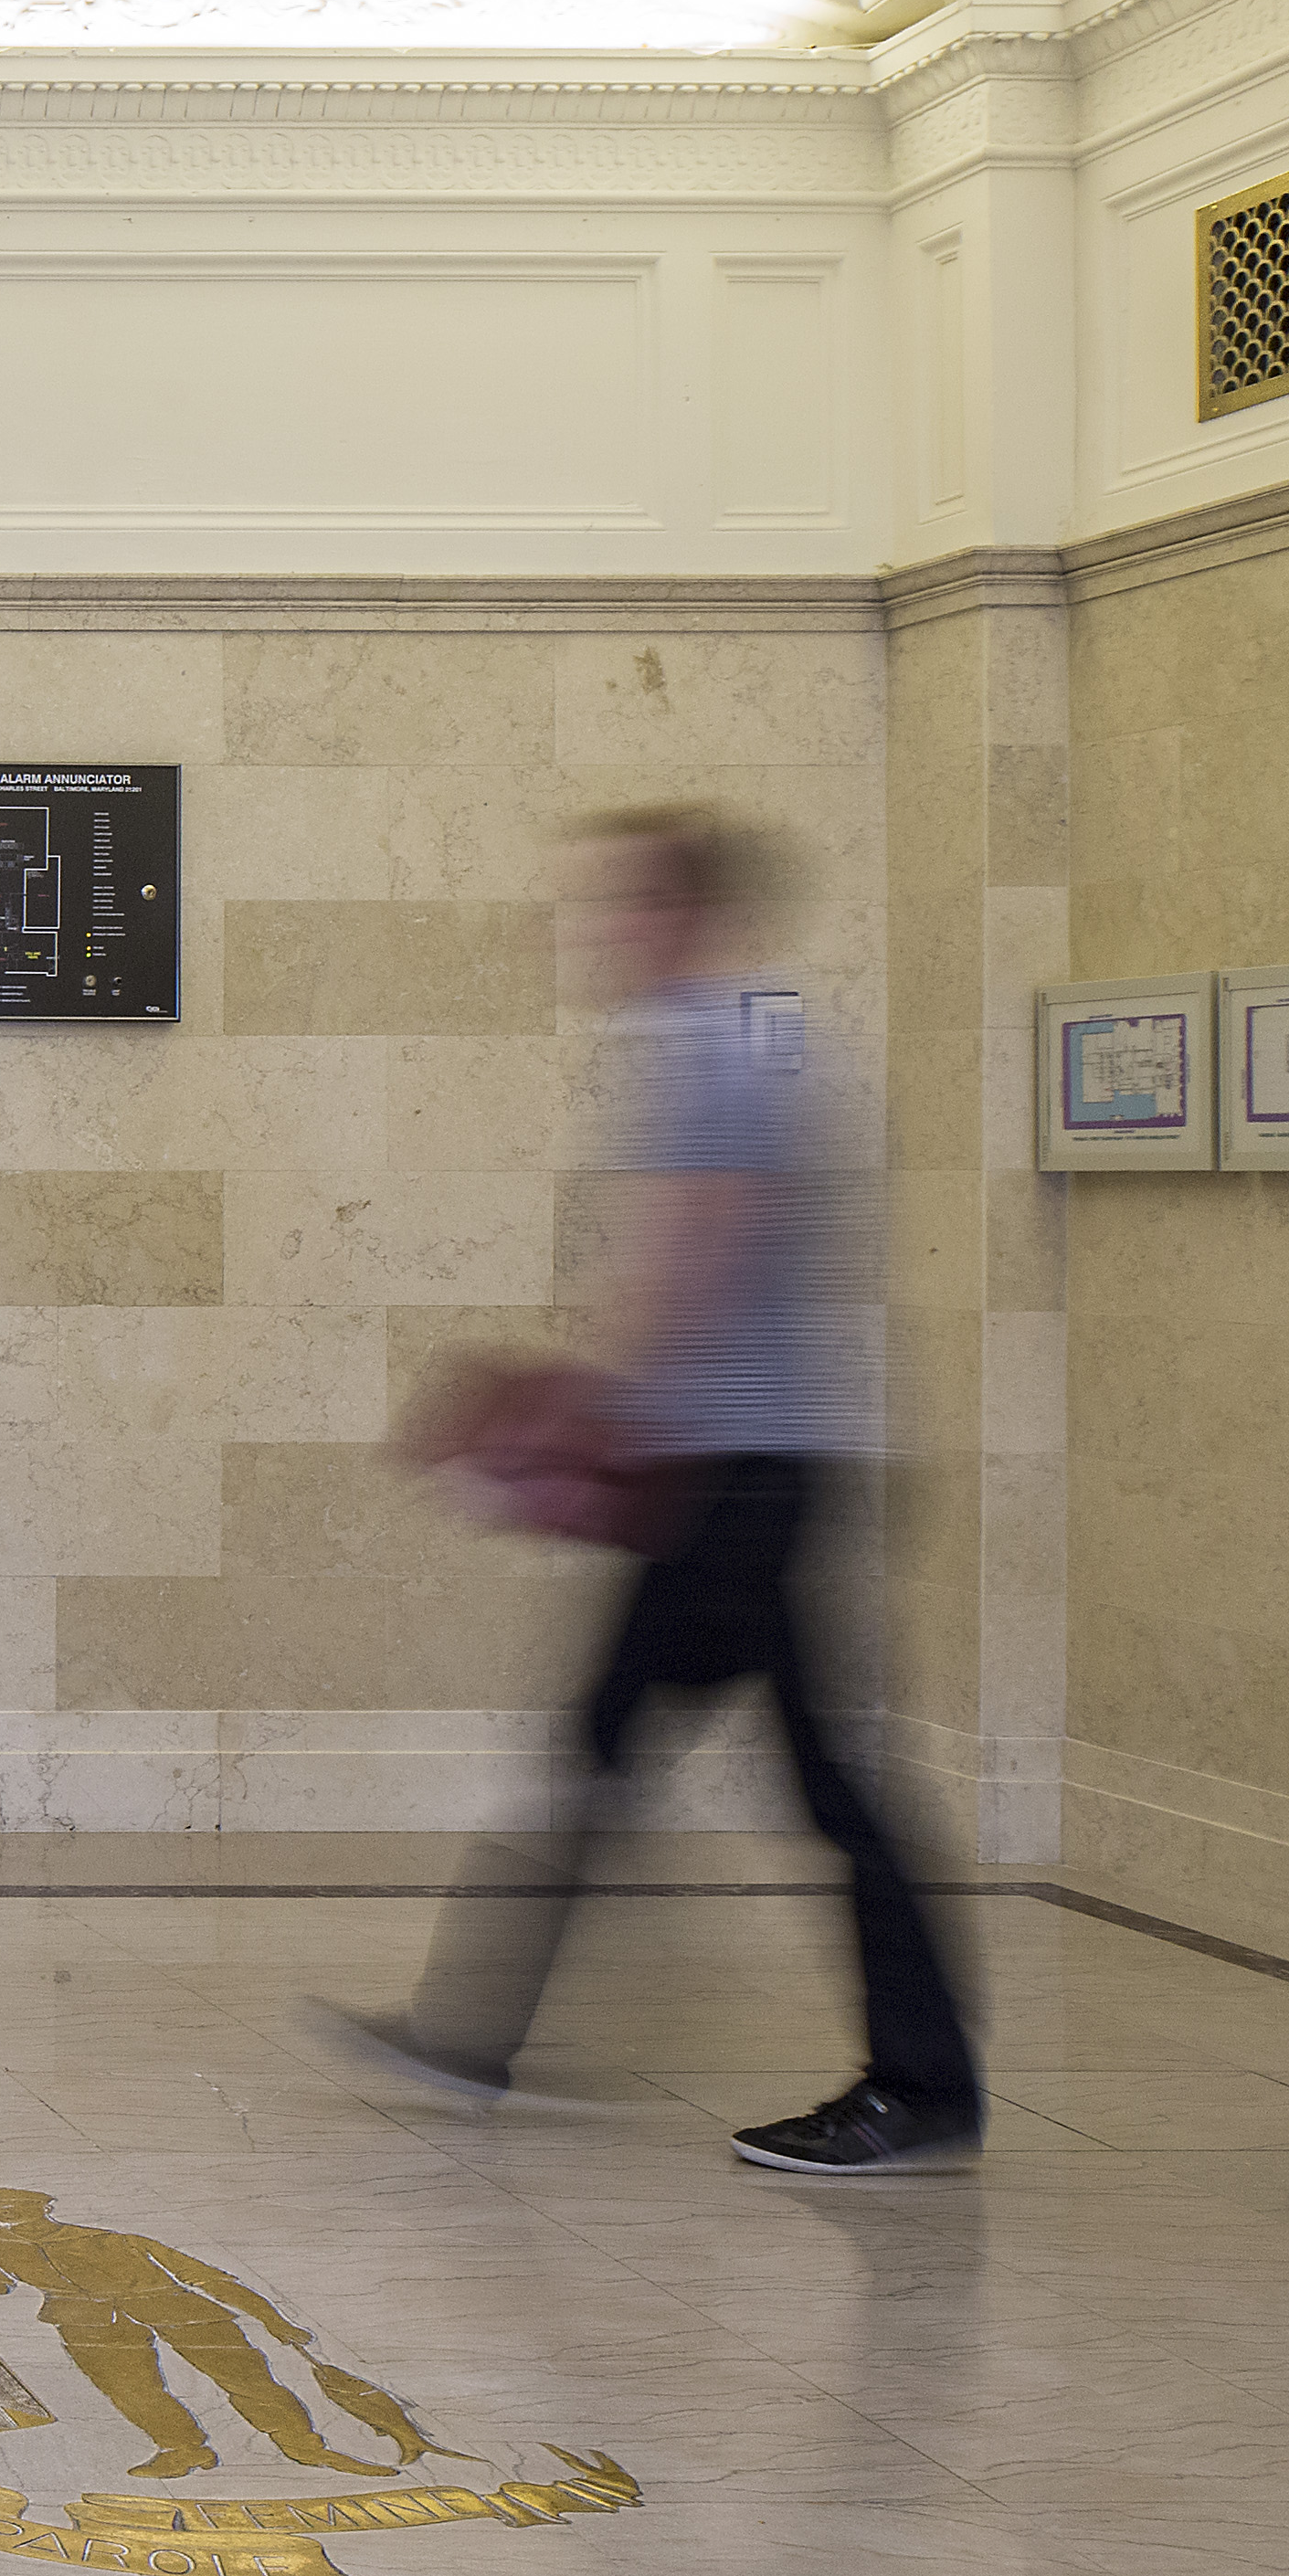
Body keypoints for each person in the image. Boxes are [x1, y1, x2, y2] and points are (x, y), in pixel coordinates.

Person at [324, 806, 985, 2178]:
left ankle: (920, 2085)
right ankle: (468, 2031)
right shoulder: (776, 1029)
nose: (596, 936)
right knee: (606, 1745)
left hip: (732, 1475)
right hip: (752, 1464)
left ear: (680, 913)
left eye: (615, 908)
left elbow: (702, 1240)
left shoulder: (702, 1047)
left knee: (810, 1781)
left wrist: (589, 1412)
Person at [0, 2190, 430, 2482]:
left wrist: (272, 2319)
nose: (1, 2212)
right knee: (133, 2392)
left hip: (182, 2310)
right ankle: (183, 2448)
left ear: (42, 2205)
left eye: (10, 2203)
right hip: (86, 2322)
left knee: (250, 2382)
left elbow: (208, 2277)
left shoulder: (114, 2240)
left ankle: (303, 2446)